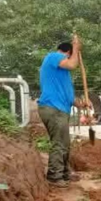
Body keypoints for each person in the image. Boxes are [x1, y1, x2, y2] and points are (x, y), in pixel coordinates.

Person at [37, 35, 89, 187]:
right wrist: (76, 48)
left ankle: (64, 173)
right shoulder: (53, 56)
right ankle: (54, 176)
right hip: (53, 108)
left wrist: (82, 104)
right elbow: (72, 64)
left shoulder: (62, 73)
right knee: (59, 143)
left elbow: (69, 96)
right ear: (68, 52)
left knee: (64, 143)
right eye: (73, 54)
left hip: (59, 109)